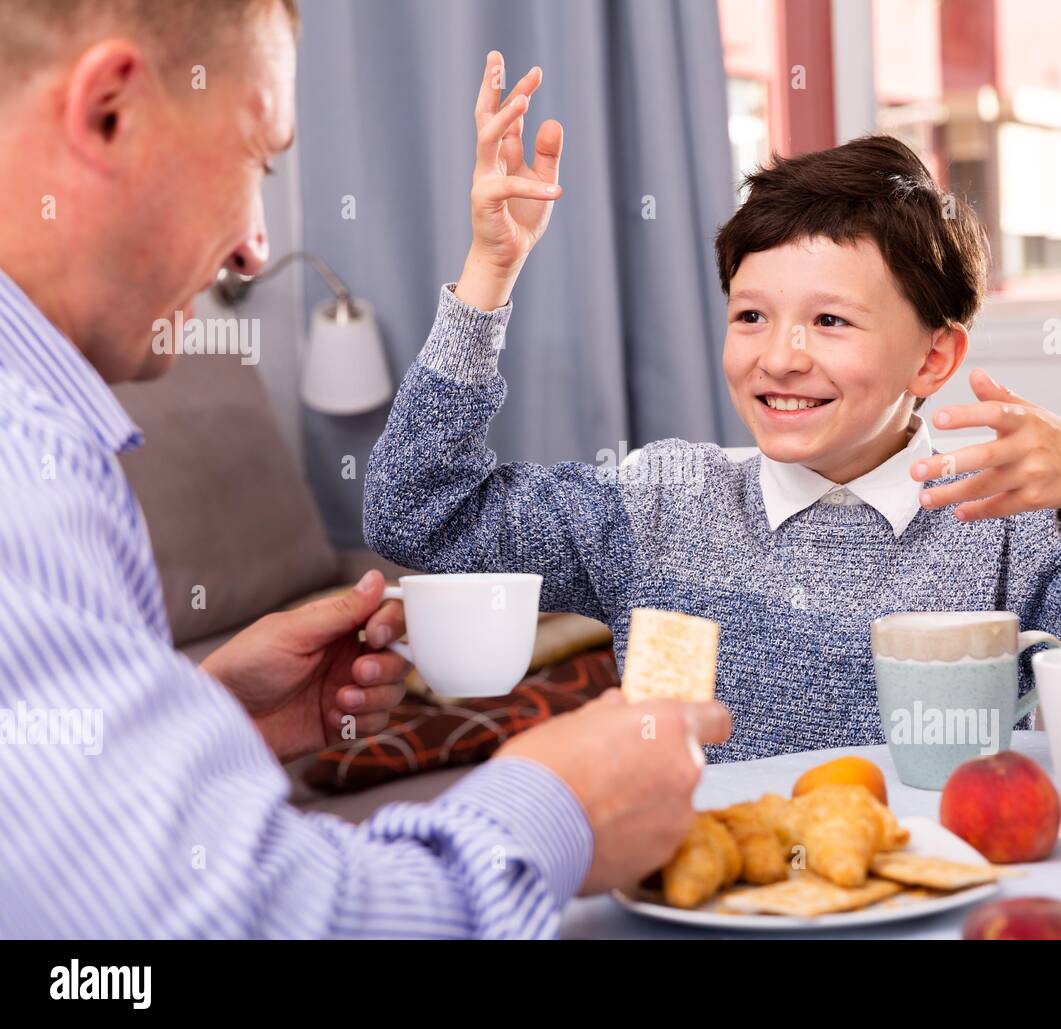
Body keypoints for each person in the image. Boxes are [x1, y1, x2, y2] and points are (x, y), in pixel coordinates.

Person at [0, 0, 728, 939]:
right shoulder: (29, 467)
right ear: (109, 110)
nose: (256, 247)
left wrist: (204, 717)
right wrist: (556, 809)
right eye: (258, 158)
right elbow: (229, 924)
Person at [364, 106, 1061, 762]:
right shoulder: (665, 500)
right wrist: (490, 271)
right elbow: (418, 514)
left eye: (829, 320)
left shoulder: (1006, 527)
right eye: (750, 315)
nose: (779, 357)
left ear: (935, 358)